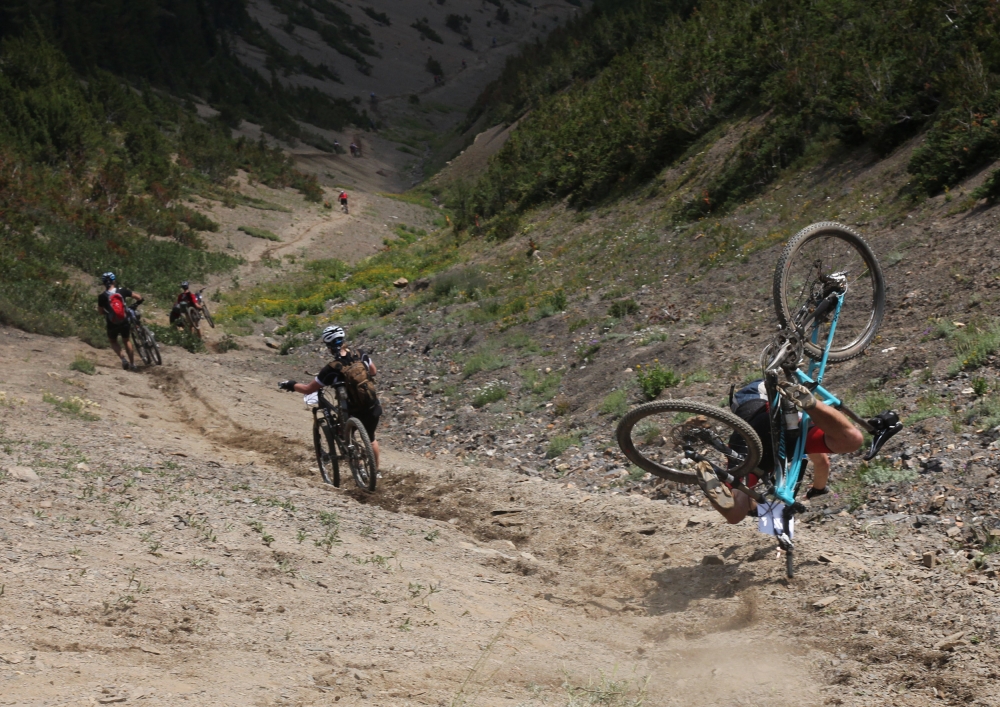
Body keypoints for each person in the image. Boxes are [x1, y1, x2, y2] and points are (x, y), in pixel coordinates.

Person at [695, 380, 864, 524]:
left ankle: (812, 404)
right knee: (735, 514)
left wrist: (818, 489)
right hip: (757, 426)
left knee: (852, 439)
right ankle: (708, 476)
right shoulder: (753, 481)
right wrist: (817, 491)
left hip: (767, 432)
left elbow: (823, 463)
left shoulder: (757, 477)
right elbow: (823, 463)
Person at [278, 325, 382, 469]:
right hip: (372, 405)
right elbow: (374, 371)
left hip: (353, 410)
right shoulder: (361, 354)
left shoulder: (331, 369)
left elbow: (308, 389)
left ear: (328, 346)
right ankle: (376, 473)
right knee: (371, 439)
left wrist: (291, 384)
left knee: (342, 432)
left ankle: (357, 466)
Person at [96, 272, 143, 371]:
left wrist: (108, 312)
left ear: (104, 283)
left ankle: (123, 359)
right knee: (126, 341)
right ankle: (133, 364)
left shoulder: (102, 296)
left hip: (112, 323)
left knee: (113, 341)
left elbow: (100, 312)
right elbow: (138, 297)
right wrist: (138, 302)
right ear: (114, 281)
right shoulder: (122, 291)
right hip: (124, 320)